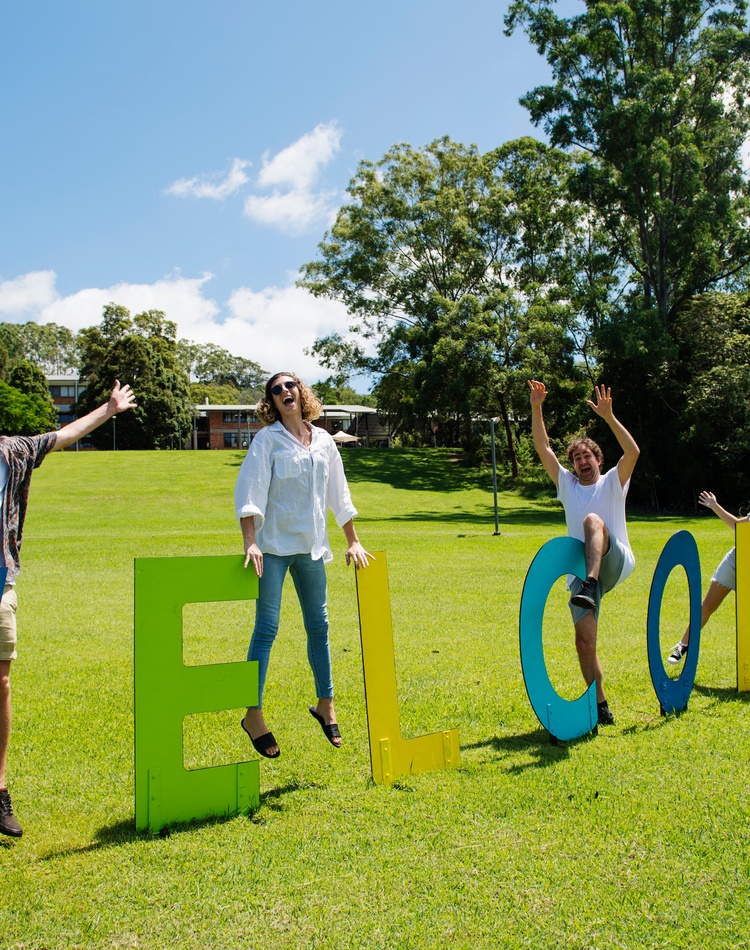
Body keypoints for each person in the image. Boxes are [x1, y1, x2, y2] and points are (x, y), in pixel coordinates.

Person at [0, 380, 136, 838]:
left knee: (1, 682)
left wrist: (110, 408)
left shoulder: (12, 453)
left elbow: (63, 436)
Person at [234, 372, 372, 759]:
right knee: (266, 629)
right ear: (271, 402)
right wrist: (251, 542)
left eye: (289, 386)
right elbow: (250, 489)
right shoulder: (267, 440)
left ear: (301, 392)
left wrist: (353, 540)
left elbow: (338, 494)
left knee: (320, 625)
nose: (284, 393)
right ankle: (253, 714)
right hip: (275, 548)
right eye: (276, 390)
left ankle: (326, 704)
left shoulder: (325, 441)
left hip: (312, 549)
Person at [528, 380, 640, 726]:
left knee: (594, 521)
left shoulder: (612, 481)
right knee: (583, 641)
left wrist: (608, 417)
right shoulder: (567, 486)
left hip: (614, 562)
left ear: (599, 459)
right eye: (576, 458)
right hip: (581, 573)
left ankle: (590, 584)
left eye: (586, 456)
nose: (581, 462)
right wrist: (536, 407)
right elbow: (542, 446)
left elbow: (633, 452)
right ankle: (600, 704)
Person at [667, 491, 748, 665]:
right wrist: (714, 505)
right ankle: (683, 645)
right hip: (737, 558)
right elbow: (739, 527)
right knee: (708, 605)